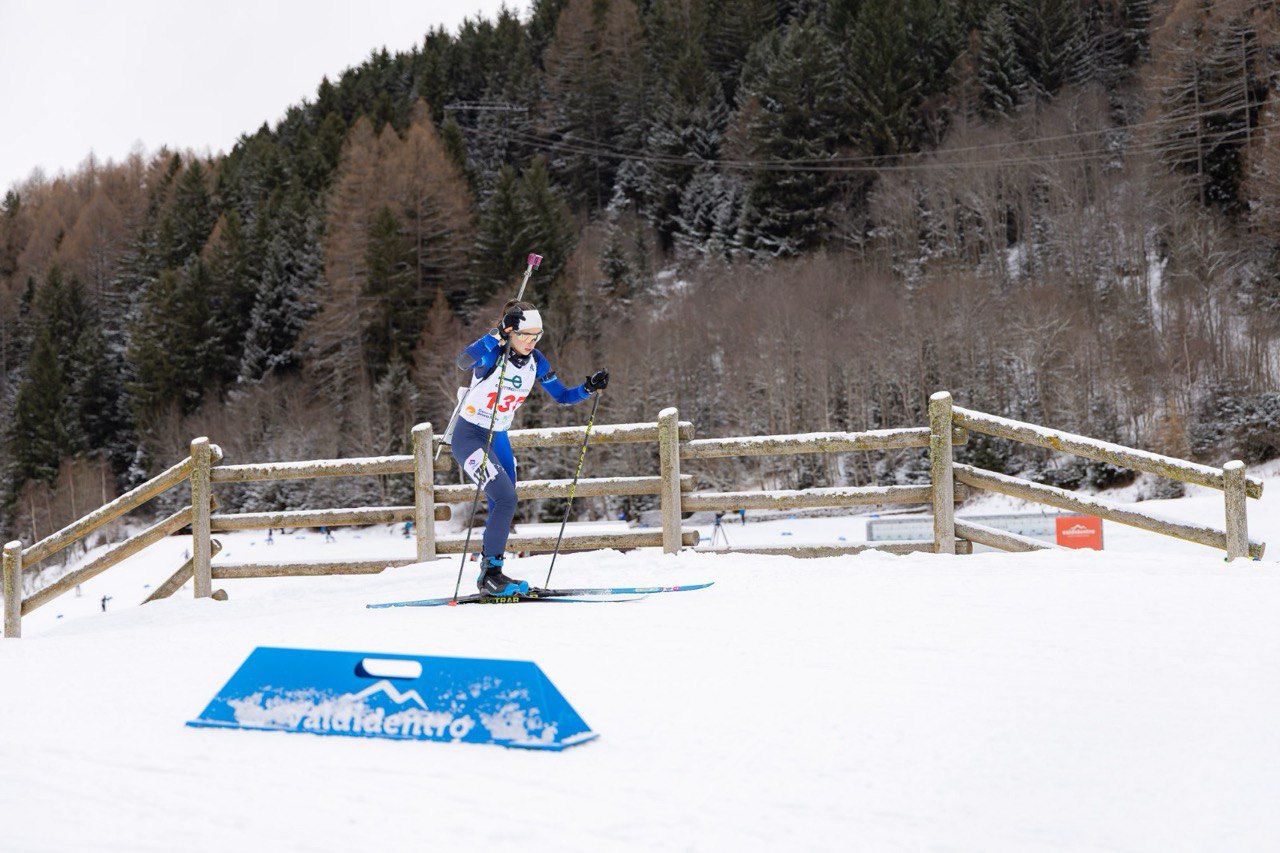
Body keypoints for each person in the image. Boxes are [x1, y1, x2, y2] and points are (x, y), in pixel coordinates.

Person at [452, 300, 608, 595]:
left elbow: (561, 396)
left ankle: (492, 571)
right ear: (510, 331)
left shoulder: (537, 361)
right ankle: (489, 575)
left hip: (498, 437)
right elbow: (463, 360)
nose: (531, 341)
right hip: (470, 436)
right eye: (524, 334)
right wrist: (495, 334)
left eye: (537, 335)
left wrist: (588, 388)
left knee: (506, 501)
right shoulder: (492, 353)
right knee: (505, 497)